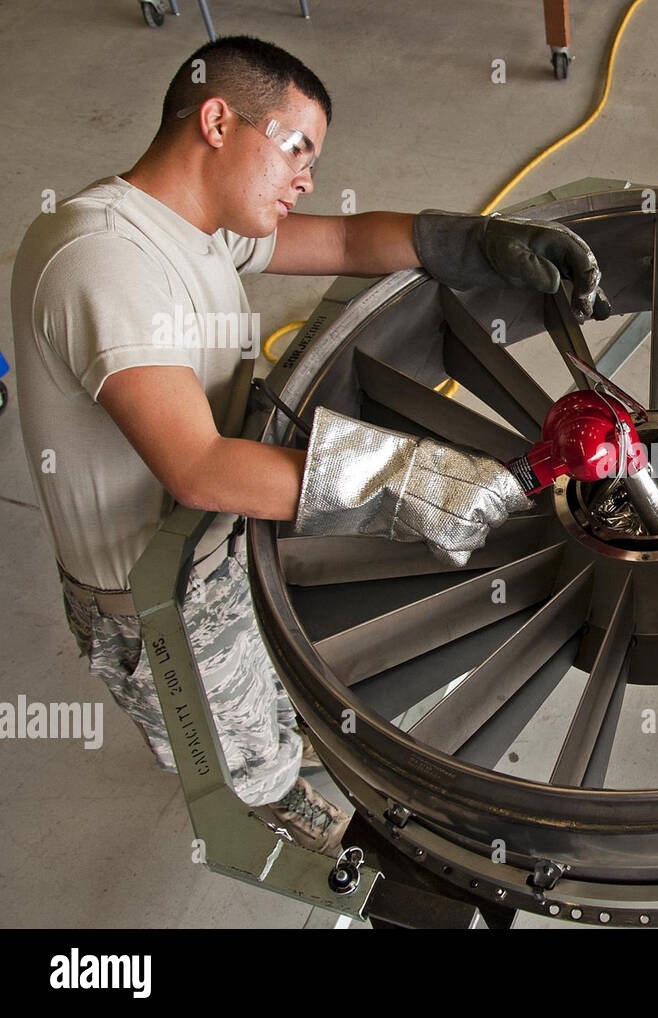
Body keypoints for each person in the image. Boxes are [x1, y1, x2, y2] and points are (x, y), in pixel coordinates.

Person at [12, 36, 604, 855]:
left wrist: (483, 245)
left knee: (284, 673)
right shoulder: (103, 263)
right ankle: (274, 802)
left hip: (226, 536)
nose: (308, 179)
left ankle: (275, 720)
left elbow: (350, 243)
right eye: (297, 150)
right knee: (244, 754)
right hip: (161, 600)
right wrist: (411, 476)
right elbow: (201, 466)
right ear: (219, 121)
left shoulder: (199, 224)